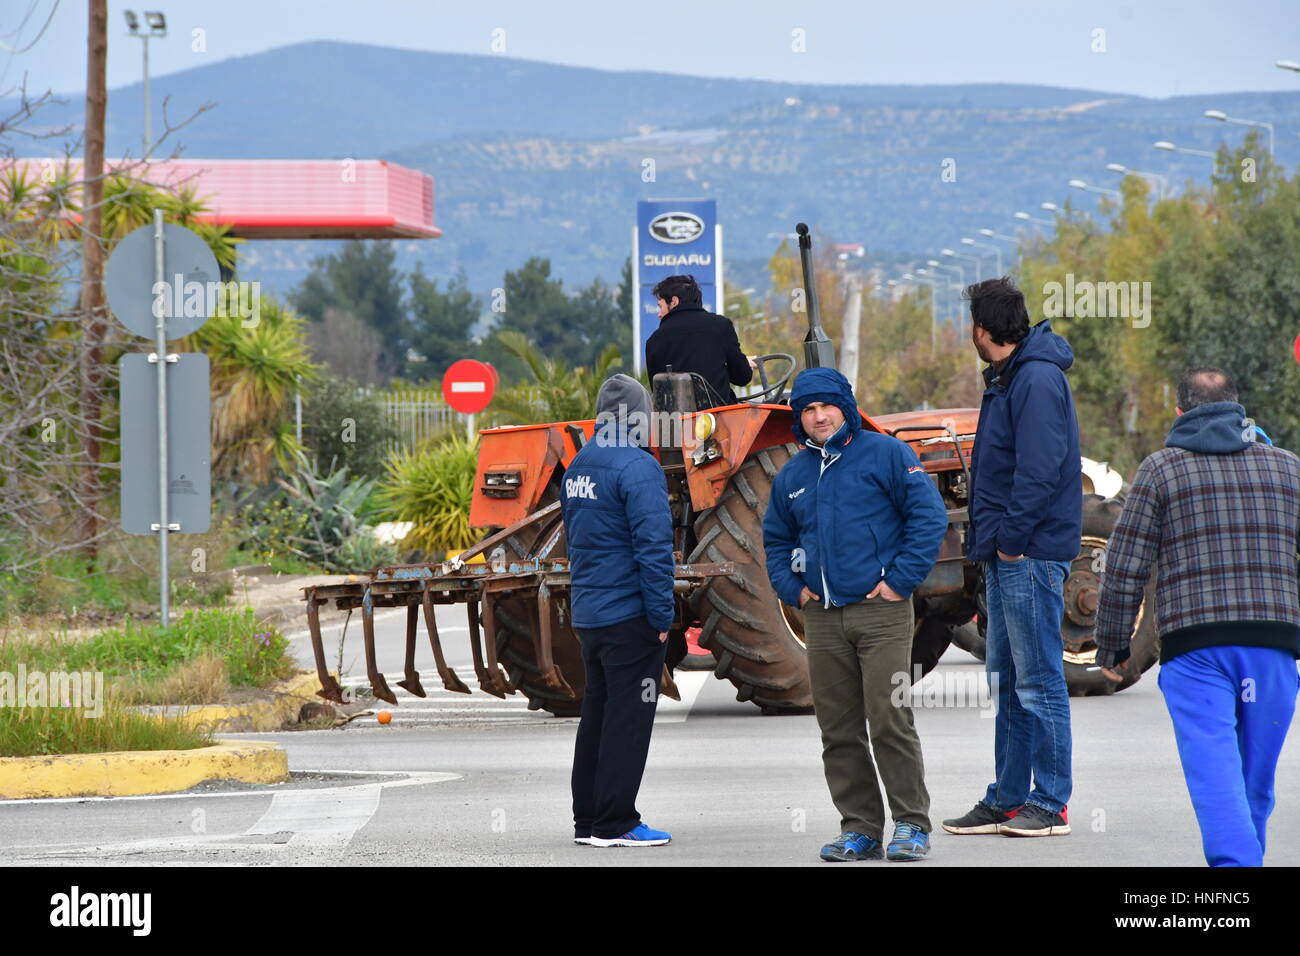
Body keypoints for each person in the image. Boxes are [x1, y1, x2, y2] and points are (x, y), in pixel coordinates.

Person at [1094, 368, 1300, 867]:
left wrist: (1113, 646)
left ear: (1181, 413)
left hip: (1196, 650)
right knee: (1253, 782)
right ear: (1238, 407)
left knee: (1217, 777)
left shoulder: (1162, 469)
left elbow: (1125, 565)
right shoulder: (1288, 467)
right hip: (1272, 650)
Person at [763, 366, 948, 862]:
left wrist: (899, 582)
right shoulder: (793, 475)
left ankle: (911, 825)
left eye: (827, 406)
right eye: (808, 409)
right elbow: (776, 540)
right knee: (838, 728)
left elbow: (928, 517)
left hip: (881, 613)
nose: (819, 416)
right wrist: (793, 591)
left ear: (845, 406)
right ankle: (861, 828)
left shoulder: (887, 454)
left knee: (889, 718)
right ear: (799, 418)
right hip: (821, 620)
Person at [942, 276, 1082, 839]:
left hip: (1028, 554)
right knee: (1007, 679)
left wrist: (1011, 542)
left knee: (1039, 680)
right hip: (1008, 556)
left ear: (982, 329)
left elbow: (1040, 471)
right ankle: (1007, 797)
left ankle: (1050, 804)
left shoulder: (1036, 379)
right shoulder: (1009, 376)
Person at [562, 373, 676, 848]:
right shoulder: (637, 467)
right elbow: (654, 549)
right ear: (639, 416)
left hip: (590, 612)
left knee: (598, 713)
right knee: (629, 719)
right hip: (629, 614)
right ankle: (617, 823)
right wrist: (662, 617)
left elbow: (576, 541)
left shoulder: (579, 466)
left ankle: (587, 820)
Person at [644, 274, 755, 405]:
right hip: (720, 419)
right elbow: (742, 377)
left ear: (674, 302)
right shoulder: (721, 326)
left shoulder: (654, 341)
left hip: (678, 422)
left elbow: (659, 392)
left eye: (660, 306)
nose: (659, 314)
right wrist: (743, 363)